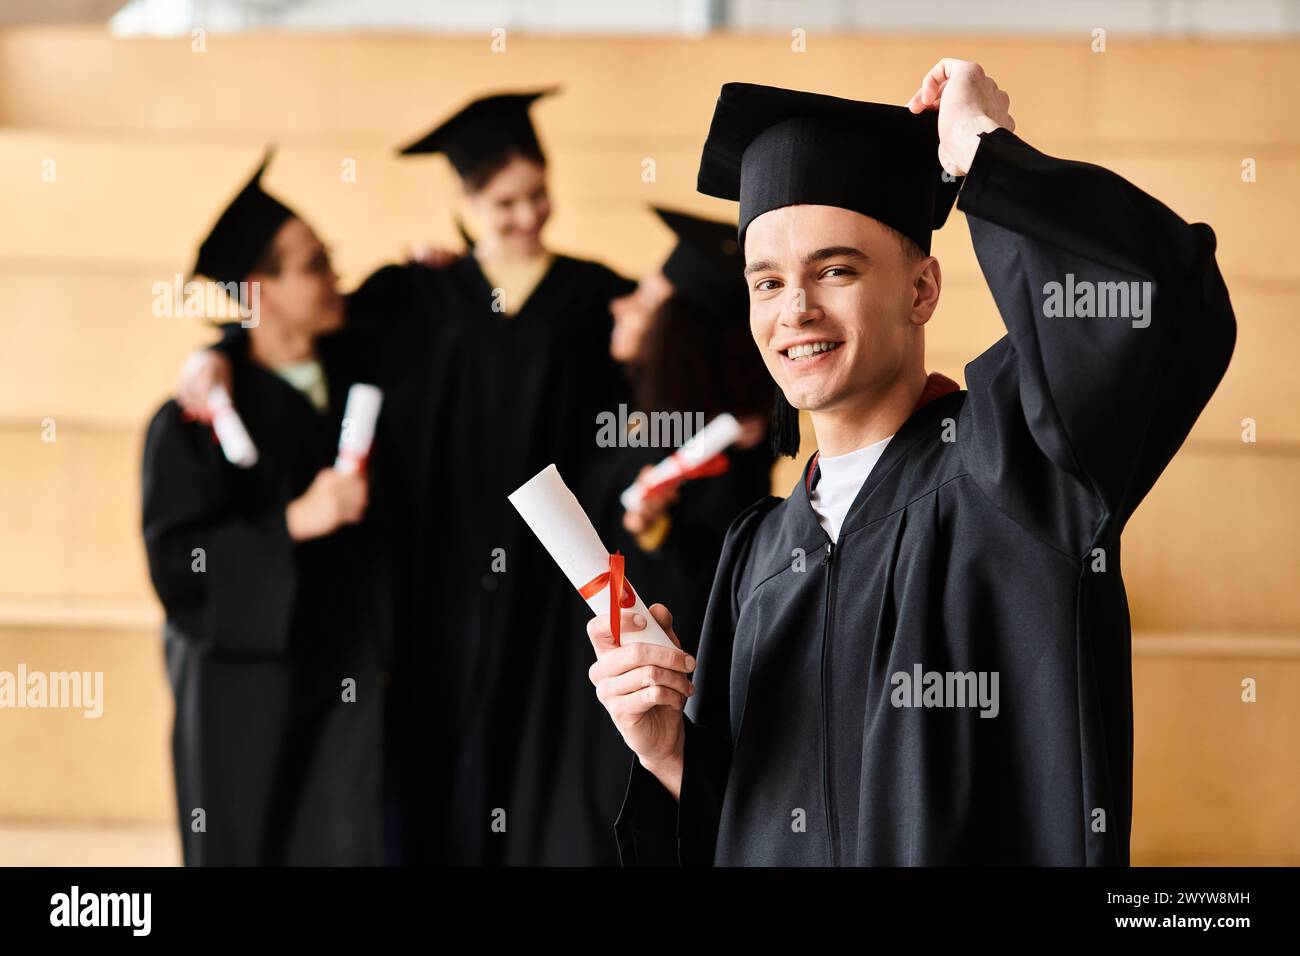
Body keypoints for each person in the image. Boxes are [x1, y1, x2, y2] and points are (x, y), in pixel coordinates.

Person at [586, 62, 1236, 865]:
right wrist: (666, 754)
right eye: (767, 282)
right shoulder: (755, 557)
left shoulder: (1021, 464)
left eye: (835, 270)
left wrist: (981, 150)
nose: (795, 310)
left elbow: (1154, 297)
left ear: (922, 290)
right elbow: (750, 832)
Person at [176, 90, 635, 865]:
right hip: (434, 575)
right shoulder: (417, 295)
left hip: (540, 582)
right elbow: (295, 329)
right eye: (504, 201)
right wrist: (214, 348)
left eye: (538, 193)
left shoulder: (593, 296)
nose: (527, 215)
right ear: (464, 199)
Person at [142, 153, 397, 865]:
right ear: (261, 291)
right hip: (251, 708)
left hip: (355, 687)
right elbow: (175, 569)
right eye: (314, 264)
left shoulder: (361, 366)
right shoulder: (194, 422)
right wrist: (295, 521)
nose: (335, 277)